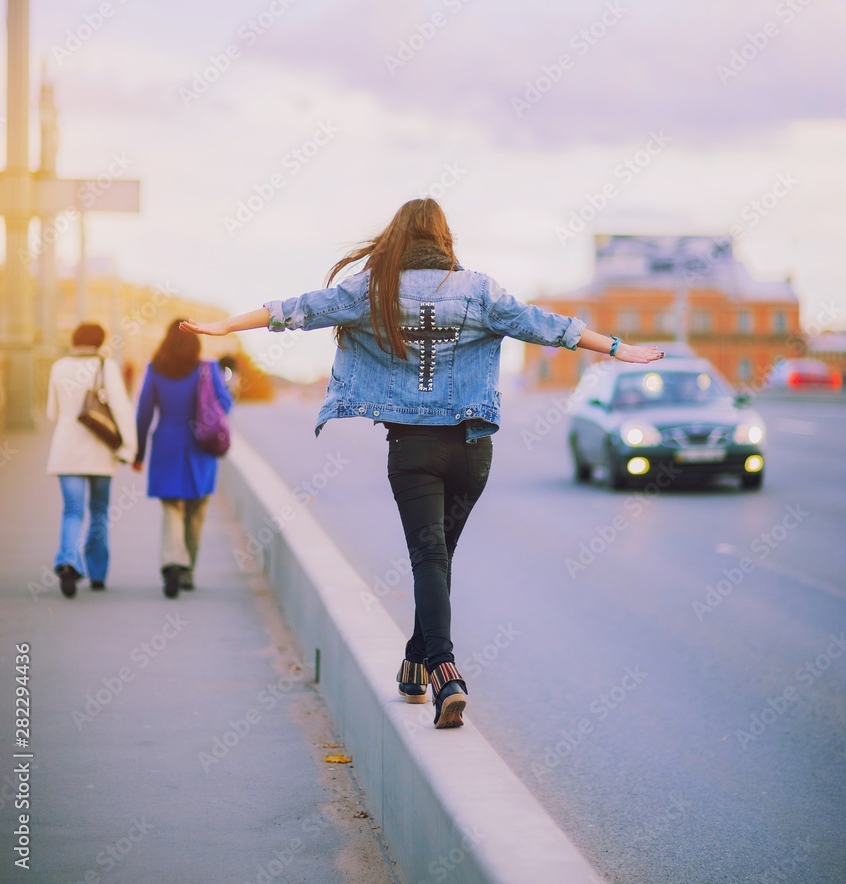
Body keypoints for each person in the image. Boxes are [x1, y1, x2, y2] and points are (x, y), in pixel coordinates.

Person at [180, 198, 663, 728]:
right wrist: (619, 348)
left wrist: (226, 325)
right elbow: (548, 326)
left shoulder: (372, 289)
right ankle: (415, 664)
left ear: (397, 237)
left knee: (429, 560)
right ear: (443, 237)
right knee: (437, 559)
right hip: (472, 449)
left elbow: (297, 310)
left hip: (412, 449)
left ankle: (444, 670)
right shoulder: (480, 290)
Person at [133, 319, 233, 598]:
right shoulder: (208, 368)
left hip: (166, 442)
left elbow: (143, 413)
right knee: (197, 510)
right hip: (200, 445)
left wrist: (139, 452)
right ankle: (187, 570)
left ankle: (172, 561)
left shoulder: (156, 369)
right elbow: (225, 403)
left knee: (172, 507)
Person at [46, 322, 138, 598]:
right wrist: (129, 448)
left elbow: (52, 412)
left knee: (72, 510)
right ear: (100, 342)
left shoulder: (58, 366)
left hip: (66, 450)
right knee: (98, 510)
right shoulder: (105, 366)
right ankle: (97, 574)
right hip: (100, 451)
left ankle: (67, 562)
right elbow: (121, 409)